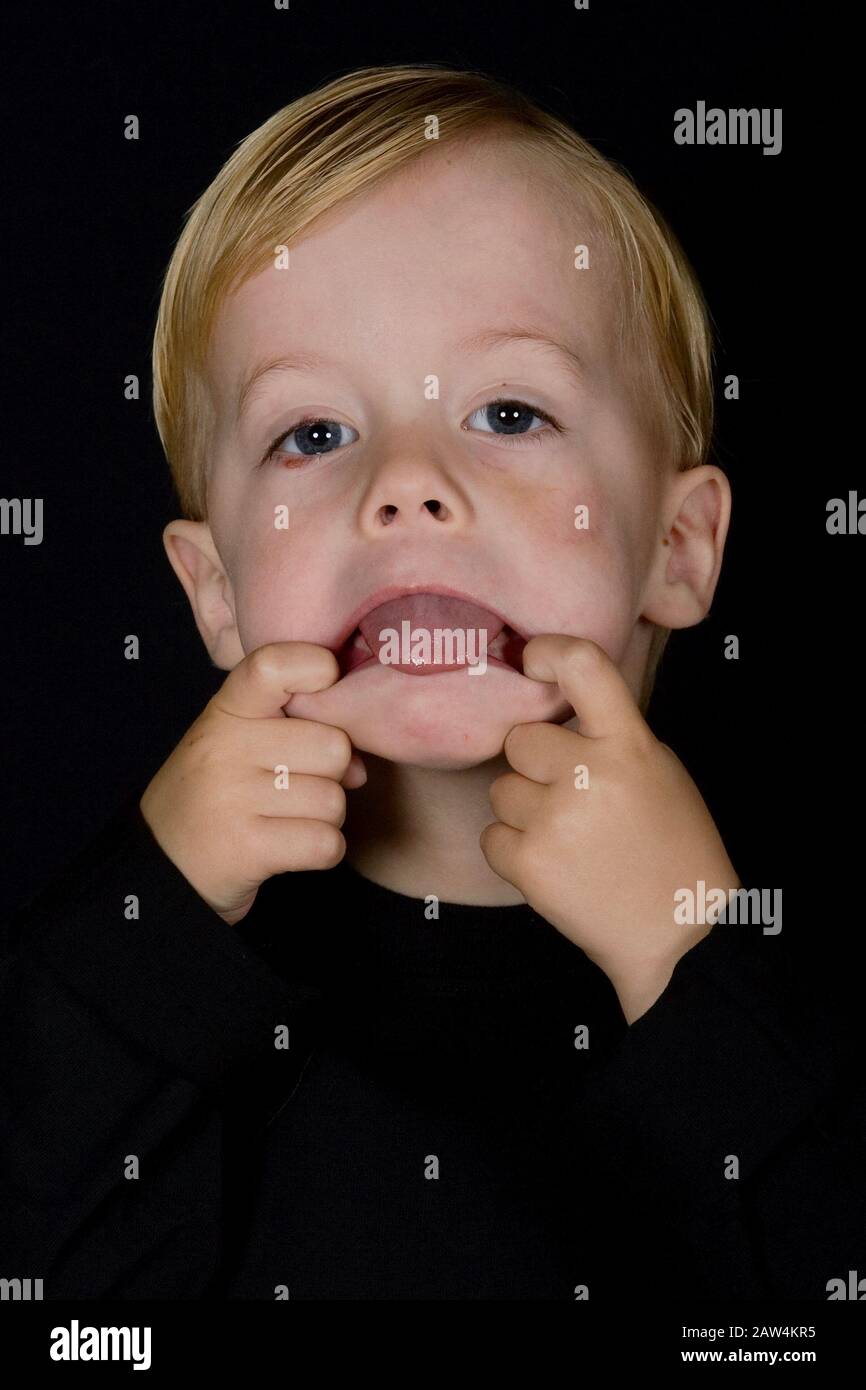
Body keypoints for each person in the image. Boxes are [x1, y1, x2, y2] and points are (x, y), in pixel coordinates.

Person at [1, 63, 862, 1301]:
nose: (406, 484)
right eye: (313, 434)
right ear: (216, 595)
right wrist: (144, 939)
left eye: (508, 413)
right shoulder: (130, 982)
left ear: (675, 549)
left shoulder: (792, 978)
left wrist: (696, 965)